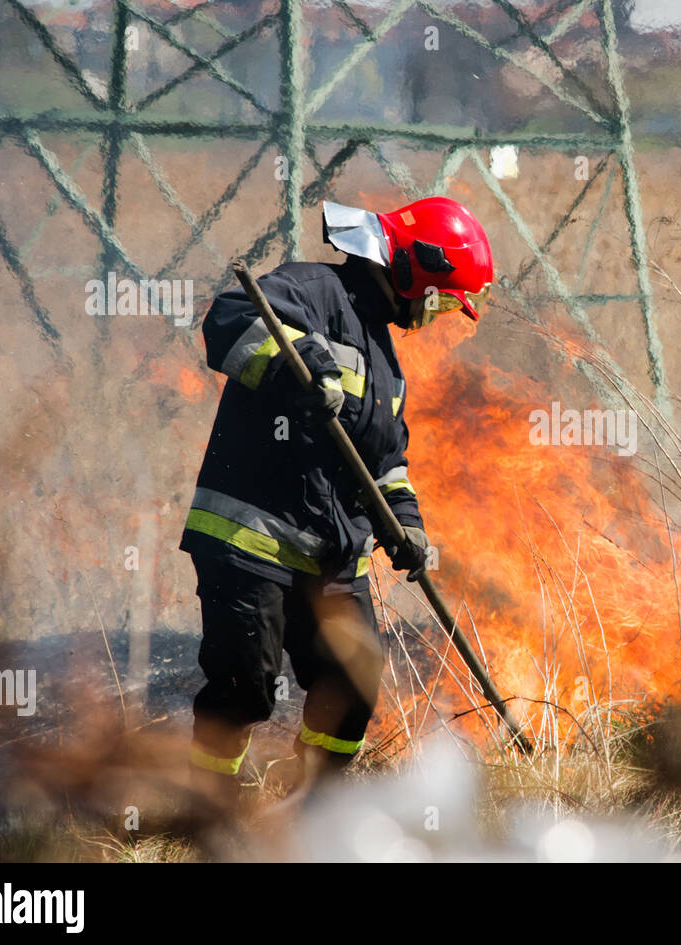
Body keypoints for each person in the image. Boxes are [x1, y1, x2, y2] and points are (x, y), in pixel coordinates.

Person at [179, 196, 493, 805]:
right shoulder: (313, 288)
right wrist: (300, 369)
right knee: (246, 687)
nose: (429, 318)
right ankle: (208, 815)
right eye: (436, 302)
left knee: (353, 681)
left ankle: (316, 807)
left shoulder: (387, 365)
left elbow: (386, 464)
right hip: (250, 537)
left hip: (331, 556)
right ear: (409, 270)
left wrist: (405, 526)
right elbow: (230, 317)